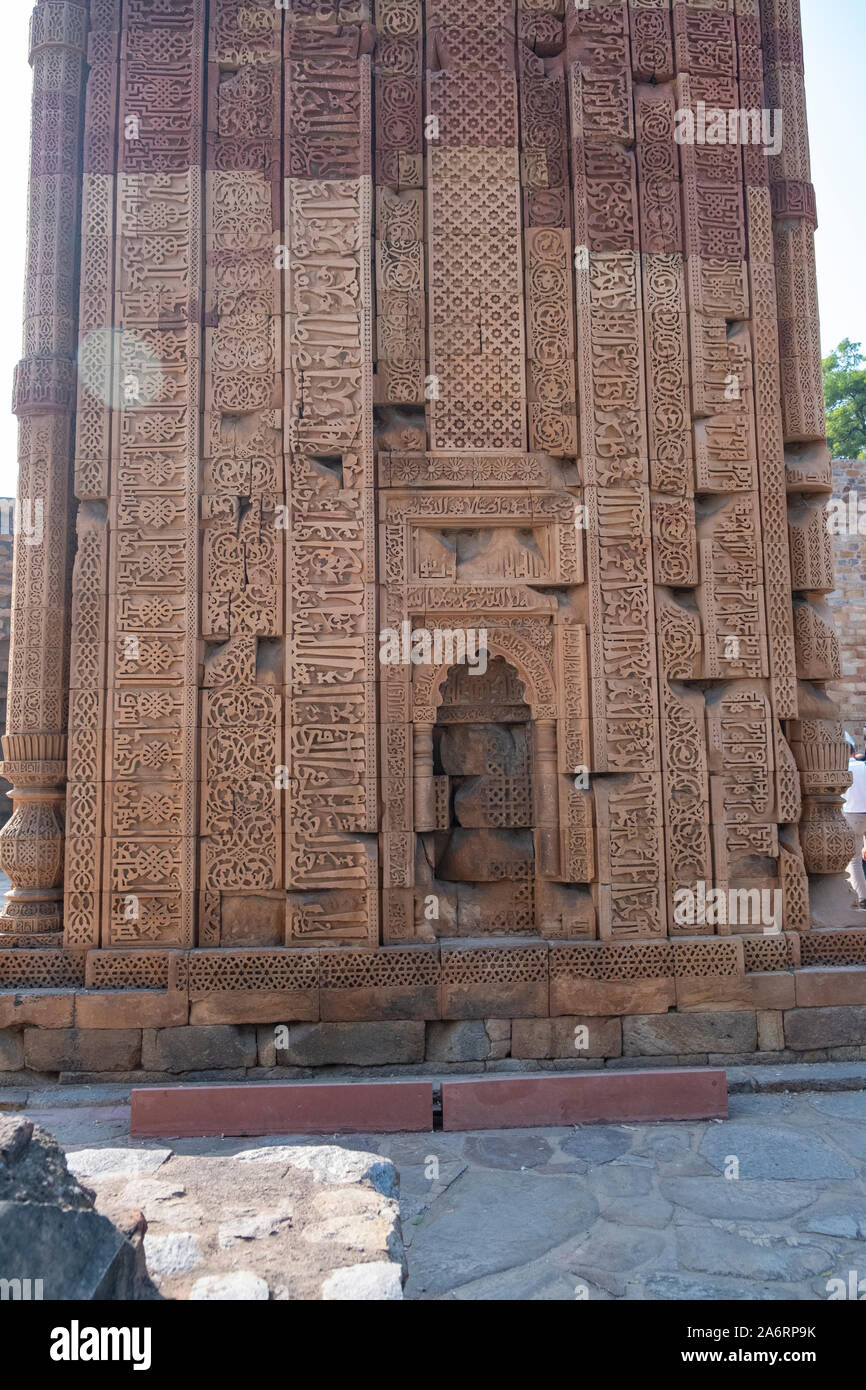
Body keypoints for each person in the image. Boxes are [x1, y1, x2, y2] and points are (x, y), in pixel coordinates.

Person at [842, 736, 866, 908]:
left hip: (851, 815)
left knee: (855, 861)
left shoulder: (841, 770)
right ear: (854, 752)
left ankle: (862, 898)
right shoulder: (864, 766)